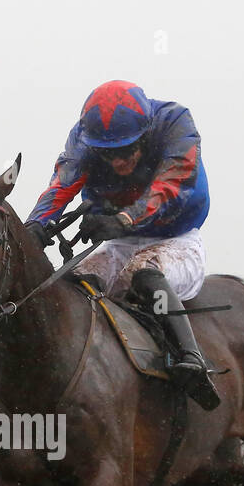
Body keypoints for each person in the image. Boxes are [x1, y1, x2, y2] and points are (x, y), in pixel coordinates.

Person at [24, 79, 220, 411]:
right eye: (107, 154)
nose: (117, 163)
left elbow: (170, 186)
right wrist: (34, 228)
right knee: (73, 284)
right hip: (120, 244)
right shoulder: (83, 138)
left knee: (142, 274)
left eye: (126, 150)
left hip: (177, 240)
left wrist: (124, 219)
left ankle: (191, 359)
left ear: (145, 134)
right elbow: (61, 185)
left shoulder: (175, 123)